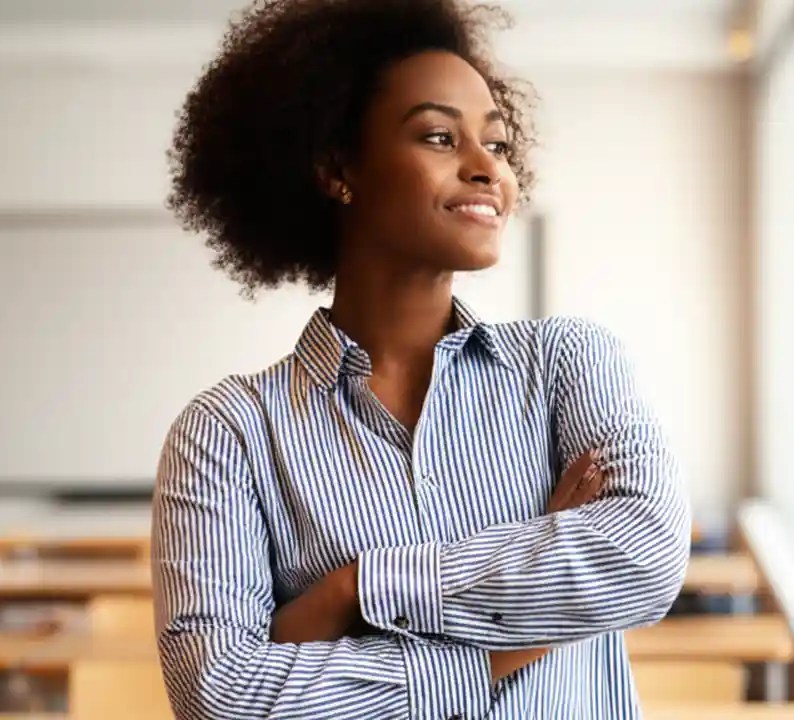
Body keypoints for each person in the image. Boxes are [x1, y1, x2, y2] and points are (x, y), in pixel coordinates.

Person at [152, 0, 691, 717]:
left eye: (497, 145)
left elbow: (646, 559)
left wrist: (356, 590)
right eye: (440, 137)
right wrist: (531, 596)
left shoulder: (569, 364)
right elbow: (222, 700)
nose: (485, 169)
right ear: (337, 166)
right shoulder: (227, 433)